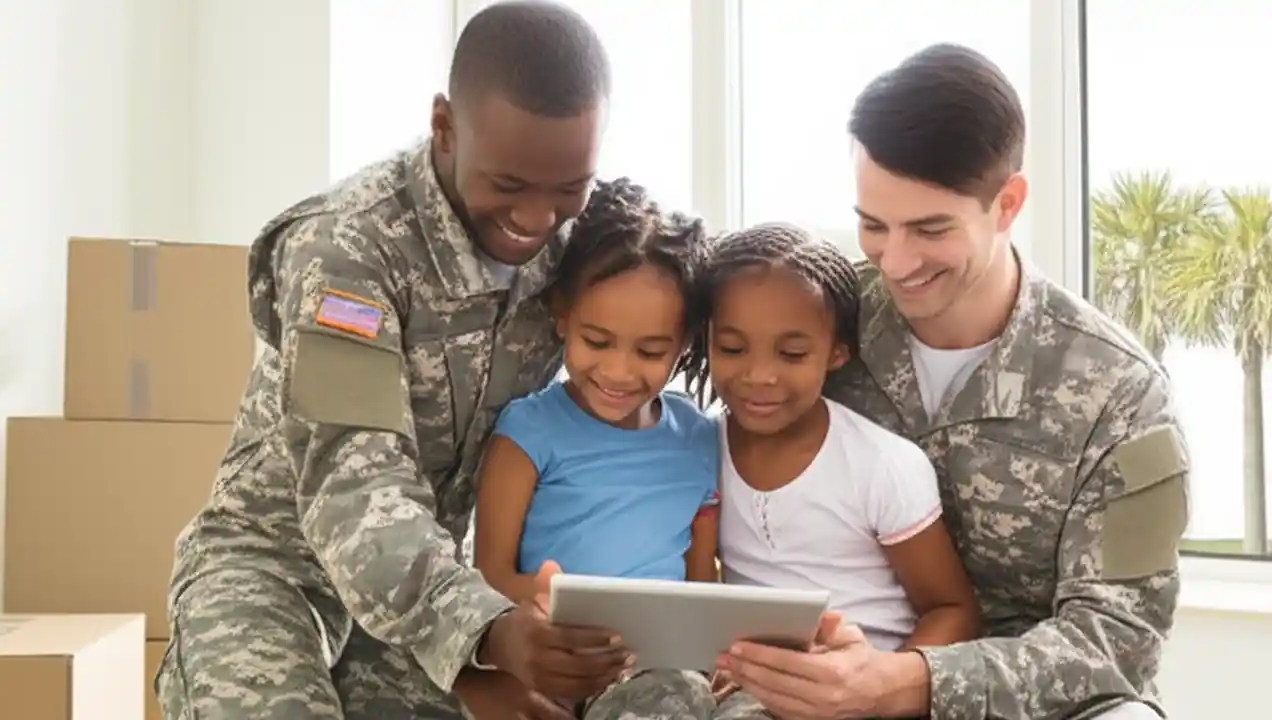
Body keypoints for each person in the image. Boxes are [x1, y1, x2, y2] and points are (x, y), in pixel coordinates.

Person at [155, 3, 654, 718]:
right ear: (445, 126)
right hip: (271, 569)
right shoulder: (348, 248)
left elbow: (697, 290)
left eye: (568, 189)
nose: (540, 218)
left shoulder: (584, 239)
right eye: (509, 185)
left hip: (418, 603)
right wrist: (485, 629)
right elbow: (355, 486)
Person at [715, 44, 1189, 720]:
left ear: (1007, 203)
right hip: (825, 688)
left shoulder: (1122, 393)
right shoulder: (817, 323)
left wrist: (903, 684)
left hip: (1038, 706)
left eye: (930, 228)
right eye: (873, 225)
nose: (897, 261)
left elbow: (1116, 642)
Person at [678, 223, 980, 719]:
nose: (759, 375)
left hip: (863, 692)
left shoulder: (881, 465)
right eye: (733, 348)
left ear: (837, 352)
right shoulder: (697, 450)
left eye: (792, 354)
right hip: (751, 697)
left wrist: (878, 687)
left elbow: (954, 611)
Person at [473, 177, 720, 718]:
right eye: (597, 341)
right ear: (562, 316)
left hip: (660, 674)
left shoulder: (701, 440)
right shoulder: (529, 431)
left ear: (683, 346)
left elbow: (703, 590)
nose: (617, 371)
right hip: (553, 656)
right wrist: (540, 599)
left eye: (650, 351)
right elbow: (489, 574)